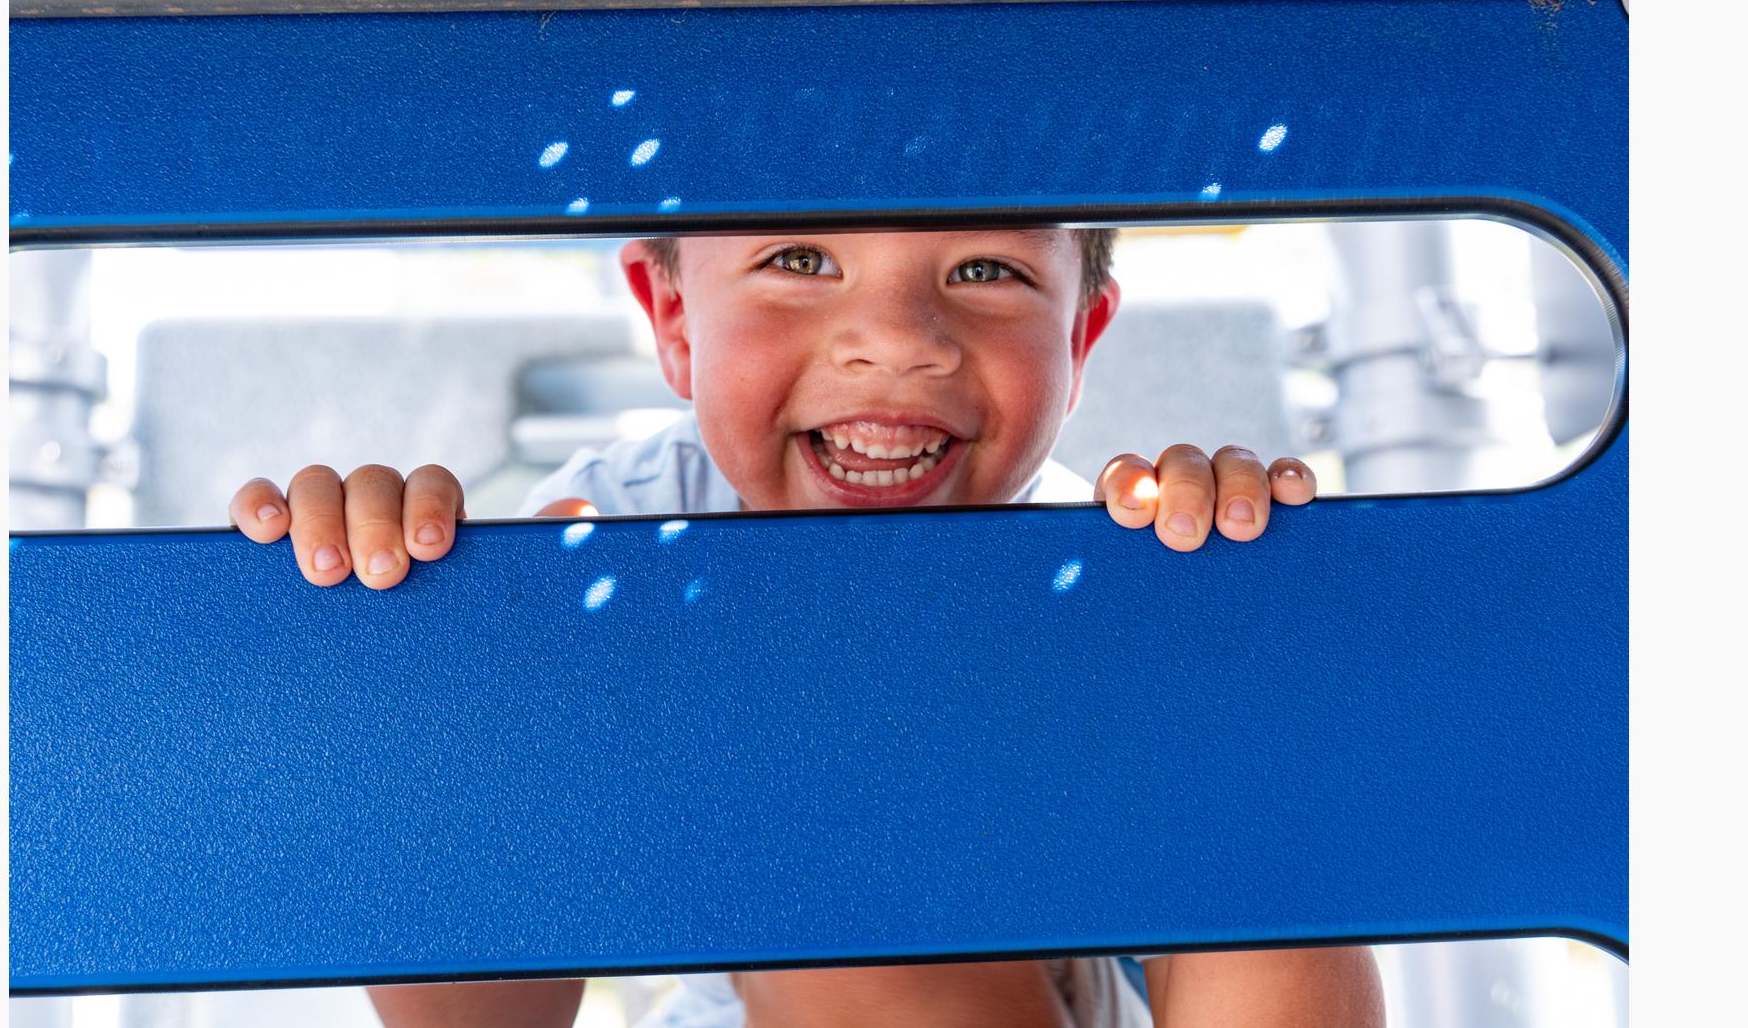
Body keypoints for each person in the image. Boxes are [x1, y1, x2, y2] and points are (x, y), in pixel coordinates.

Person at [228, 228, 1384, 1028]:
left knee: (1235, 715)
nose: (895, 340)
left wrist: (1232, 621)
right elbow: (489, 1015)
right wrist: (428, 683)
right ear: (675, 315)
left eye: (986, 269)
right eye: (799, 261)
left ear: (1080, 338)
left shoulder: (1115, 564)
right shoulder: (614, 533)